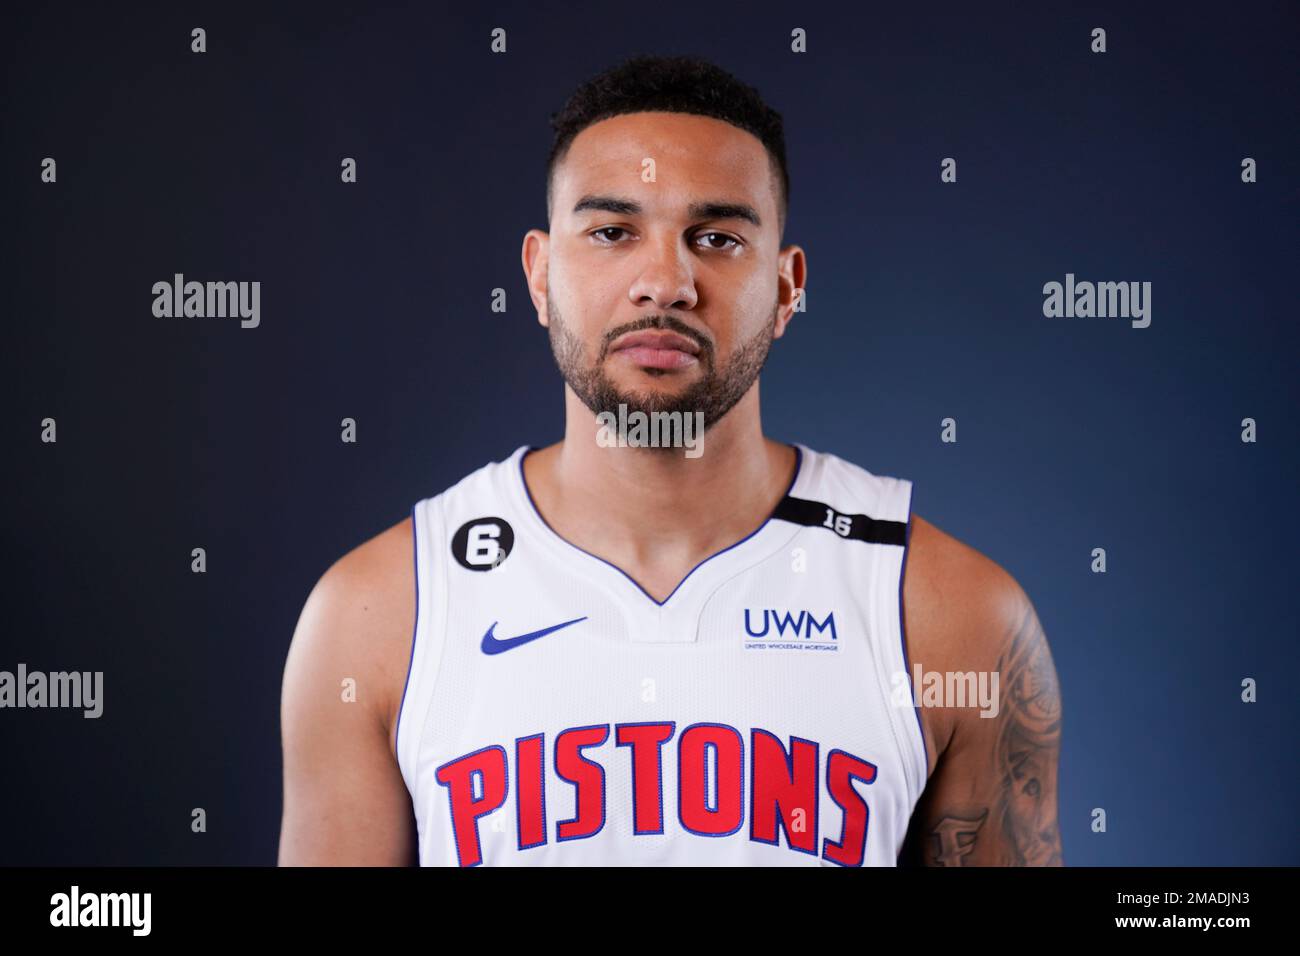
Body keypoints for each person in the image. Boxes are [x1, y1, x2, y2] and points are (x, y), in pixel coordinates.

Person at [279, 54, 1062, 867]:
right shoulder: (379, 616)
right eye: (613, 232)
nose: (664, 281)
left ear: (789, 288)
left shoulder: (949, 615)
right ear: (541, 275)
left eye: (717, 238)